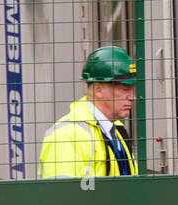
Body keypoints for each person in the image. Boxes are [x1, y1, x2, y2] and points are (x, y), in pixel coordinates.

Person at [38, 46, 139, 178]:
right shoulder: (67, 136)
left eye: (132, 89)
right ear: (98, 90)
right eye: (124, 89)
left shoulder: (117, 131)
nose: (132, 97)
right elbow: (60, 195)